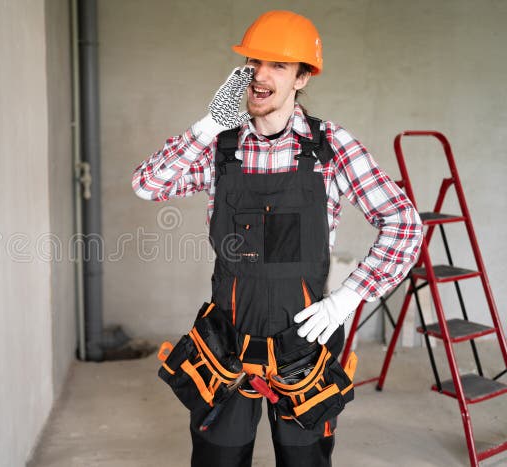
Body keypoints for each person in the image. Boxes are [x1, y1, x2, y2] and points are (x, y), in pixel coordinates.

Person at [131, 10, 423, 467]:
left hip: (303, 350)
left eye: (278, 65)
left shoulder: (330, 148)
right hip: (225, 350)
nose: (260, 75)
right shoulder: (221, 147)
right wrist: (209, 124)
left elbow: (404, 223)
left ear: (302, 78)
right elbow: (148, 185)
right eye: (254, 62)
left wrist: (348, 298)